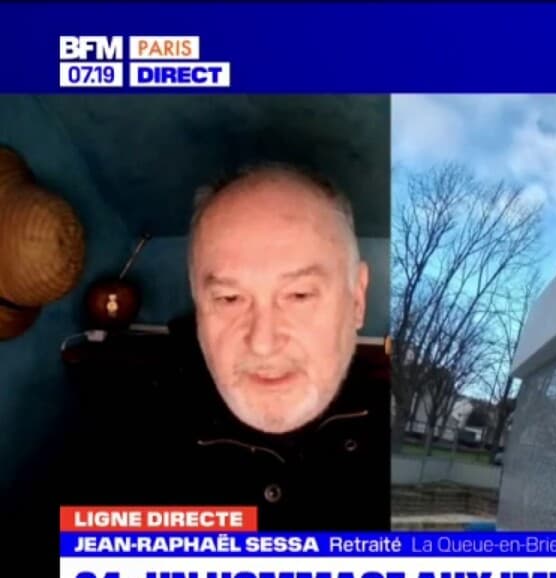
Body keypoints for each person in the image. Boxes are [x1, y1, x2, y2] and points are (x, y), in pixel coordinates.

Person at [62, 163, 391, 531]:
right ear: (198, 305)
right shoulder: (117, 448)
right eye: (229, 299)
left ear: (357, 299)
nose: (263, 344)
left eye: (299, 295)